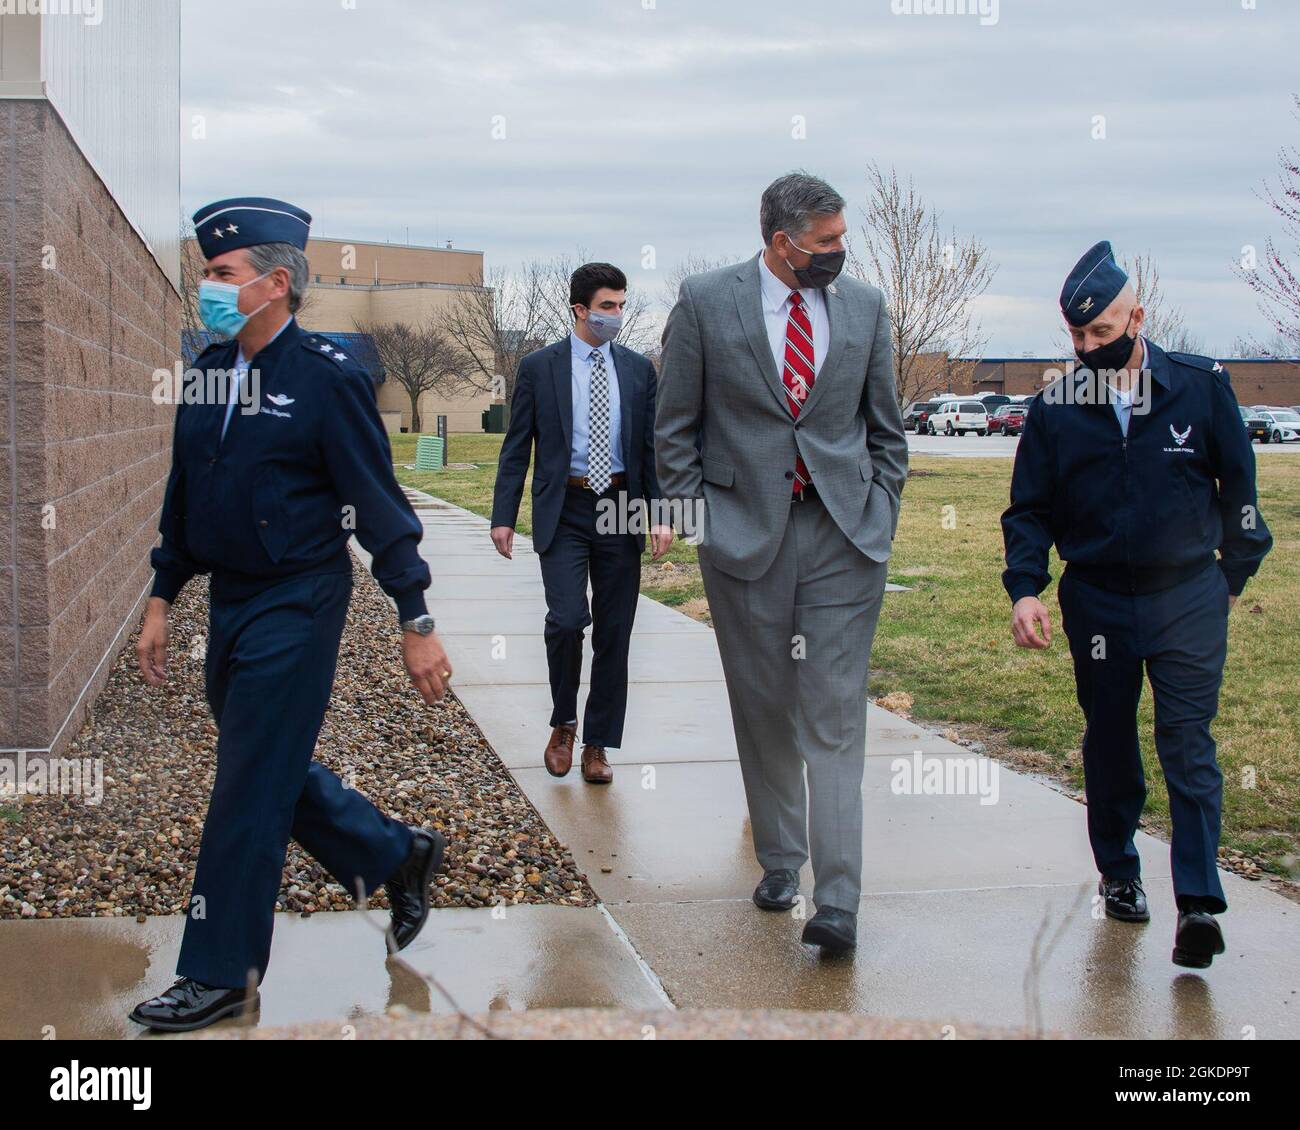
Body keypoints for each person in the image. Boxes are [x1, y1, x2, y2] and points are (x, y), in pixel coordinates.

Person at [129, 197, 453, 1031]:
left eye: (221, 273)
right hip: (231, 599)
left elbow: (381, 509)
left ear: (275, 283)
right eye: (205, 270)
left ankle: (221, 975)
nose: (206, 284)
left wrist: (414, 617)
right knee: (263, 761)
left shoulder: (328, 379)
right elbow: (184, 496)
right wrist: (161, 597)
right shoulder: (205, 368)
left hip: (300, 600)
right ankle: (394, 850)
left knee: (243, 786)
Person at [655, 172, 908, 953]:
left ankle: (837, 903)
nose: (840, 252)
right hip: (743, 539)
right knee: (764, 707)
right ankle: (780, 859)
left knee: (833, 717)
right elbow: (675, 429)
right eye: (826, 242)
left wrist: (881, 512)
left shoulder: (864, 308)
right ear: (781, 243)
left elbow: (886, 430)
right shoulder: (705, 301)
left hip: (843, 537)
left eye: (841, 238)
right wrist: (694, 517)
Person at [1002, 240, 1273, 969]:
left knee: (1188, 743)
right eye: (1078, 335)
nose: (1090, 346)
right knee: (1113, 740)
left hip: (1188, 596)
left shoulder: (1200, 386)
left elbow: (1241, 498)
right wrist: (1025, 587)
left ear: (1137, 317)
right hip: (1098, 603)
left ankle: (1198, 904)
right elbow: (1028, 510)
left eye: (1102, 332)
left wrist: (1227, 581)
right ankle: (1120, 873)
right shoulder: (1056, 409)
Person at [490, 263, 672, 784]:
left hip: (620, 506)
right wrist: (504, 516)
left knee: (615, 631)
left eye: (621, 304)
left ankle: (597, 744)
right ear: (579, 309)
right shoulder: (538, 367)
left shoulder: (639, 371)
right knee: (568, 620)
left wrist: (659, 512)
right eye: (607, 306)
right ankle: (563, 723)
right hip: (564, 509)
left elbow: (650, 451)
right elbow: (515, 447)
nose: (616, 314)